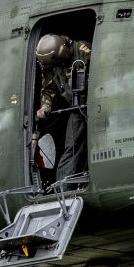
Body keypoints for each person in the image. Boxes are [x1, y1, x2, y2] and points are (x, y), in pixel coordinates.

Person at [33, 34, 91, 186]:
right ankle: (64, 187)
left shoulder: (82, 50)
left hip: (95, 101)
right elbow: (48, 88)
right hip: (76, 106)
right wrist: (45, 105)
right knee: (72, 146)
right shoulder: (50, 64)